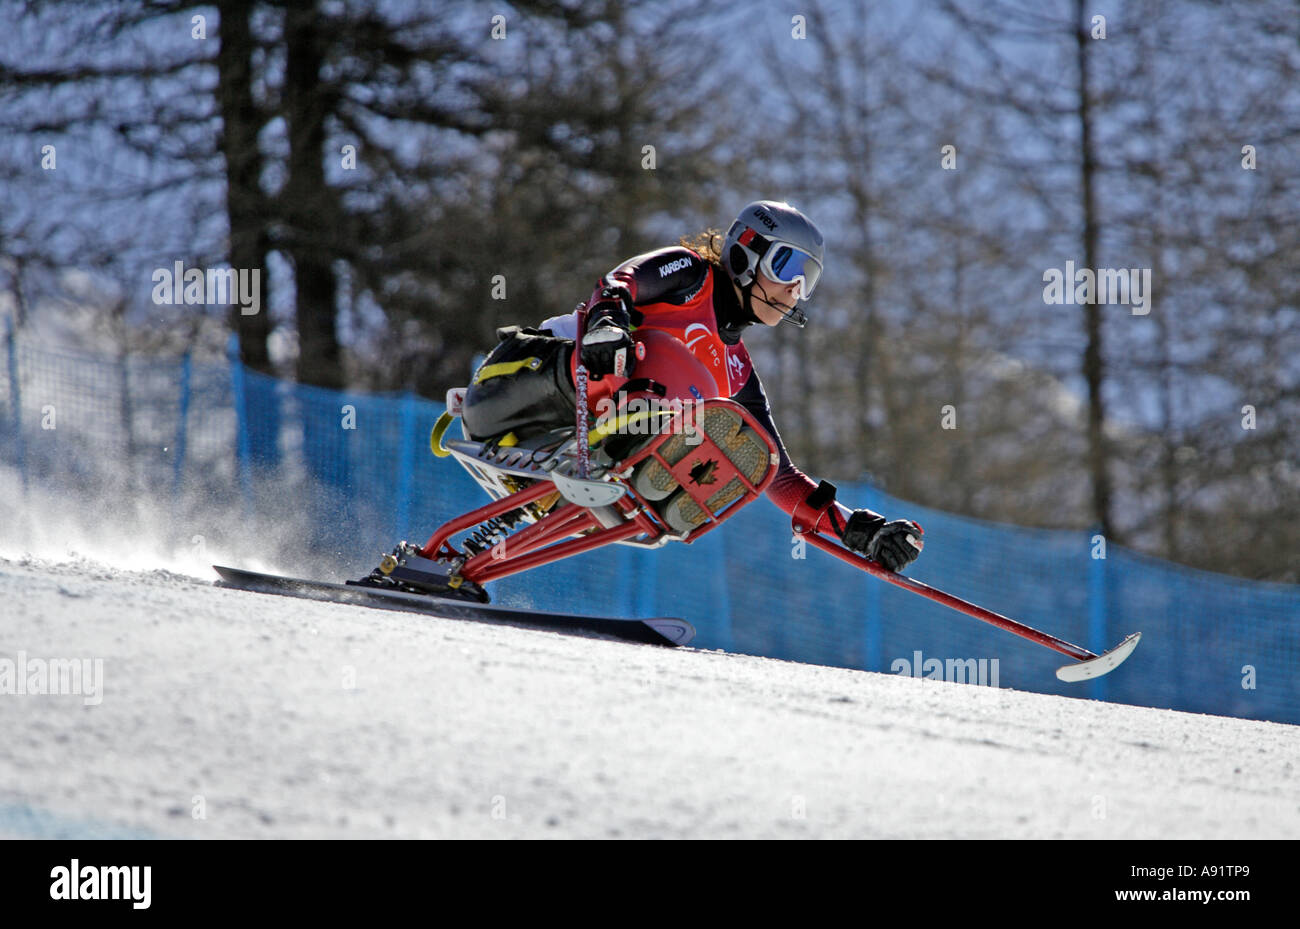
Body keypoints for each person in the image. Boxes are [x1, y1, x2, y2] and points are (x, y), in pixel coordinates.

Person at [463, 199, 923, 573]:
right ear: (746, 253)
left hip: (576, 457)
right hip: (520, 386)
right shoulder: (690, 277)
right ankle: (629, 450)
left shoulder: (737, 371)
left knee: (743, 443)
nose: (795, 289)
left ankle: (640, 481)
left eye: (810, 280)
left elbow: (778, 473)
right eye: (788, 267)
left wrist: (858, 529)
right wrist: (607, 324)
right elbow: (619, 283)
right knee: (678, 369)